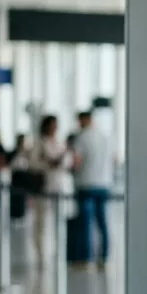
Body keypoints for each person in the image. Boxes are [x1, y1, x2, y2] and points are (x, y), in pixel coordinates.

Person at [71, 111, 114, 270]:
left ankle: (85, 258)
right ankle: (104, 257)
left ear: (84, 120)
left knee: (86, 223)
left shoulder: (81, 137)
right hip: (104, 184)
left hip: (86, 184)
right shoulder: (106, 137)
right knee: (103, 222)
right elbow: (114, 159)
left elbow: (76, 161)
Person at [28, 115, 71, 266]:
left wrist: (59, 162)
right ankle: (41, 255)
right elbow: (33, 164)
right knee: (42, 222)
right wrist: (48, 164)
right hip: (44, 186)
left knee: (60, 221)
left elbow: (67, 162)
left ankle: (59, 253)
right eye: (51, 125)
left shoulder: (60, 143)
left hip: (59, 186)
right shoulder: (39, 143)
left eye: (55, 125)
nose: (54, 128)